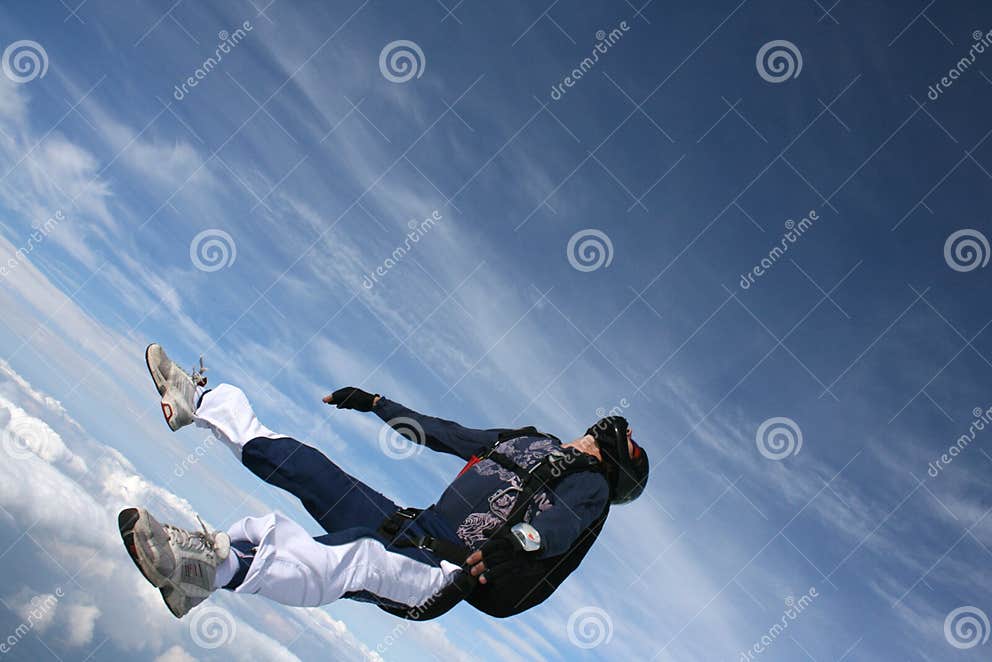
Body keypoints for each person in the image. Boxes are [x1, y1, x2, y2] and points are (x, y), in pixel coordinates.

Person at [119, 343, 649, 620]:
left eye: (625, 444)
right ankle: (202, 404)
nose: (612, 431)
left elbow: (555, 529)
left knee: (357, 559)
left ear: (618, 468)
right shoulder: (532, 441)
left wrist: (518, 545)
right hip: (408, 523)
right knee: (310, 469)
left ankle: (210, 569)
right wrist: (375, 404)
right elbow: (445, 433)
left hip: (440, 572)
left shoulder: (591, 486)